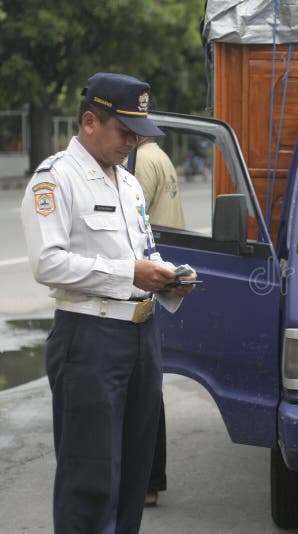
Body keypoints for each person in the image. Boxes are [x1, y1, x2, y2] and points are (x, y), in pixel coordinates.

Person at [20, 72, 196, 534]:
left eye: (139, 134)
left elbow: (142, 252)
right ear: (90, 121)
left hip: (142, 335)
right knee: (90, 479)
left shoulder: (129, 183)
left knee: (134, 476)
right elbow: (48, 263)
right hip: (89, 338)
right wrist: (130, 274)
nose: (133, 142)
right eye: (125, 131)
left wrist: (166, 278)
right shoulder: (55, 179)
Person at [130, 99, 185, 507]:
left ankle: (144, 480)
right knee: (150, 390)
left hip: (144, 284)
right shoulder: (160, 156)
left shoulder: (138, 166)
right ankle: (149, 481)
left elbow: (133, 229)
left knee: (141, 392)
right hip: (158, 276)